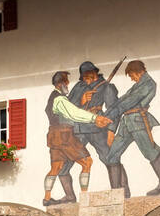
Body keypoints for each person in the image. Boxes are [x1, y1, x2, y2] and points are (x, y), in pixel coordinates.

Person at [43, 71, 112, 205]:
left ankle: (46, 198)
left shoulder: (53, 98)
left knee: (56, 167)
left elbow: (70, 111)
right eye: (66, 82)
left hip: (54, 136)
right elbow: (73, 113)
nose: (68, 84)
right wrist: (95, 118)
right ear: (60, 83)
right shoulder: (59, 99)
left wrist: (81, 103)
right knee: (87, 162)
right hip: (64, 135)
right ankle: (84, 196)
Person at [103, 60, 160, 196]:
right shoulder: (137, 85)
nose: (132, 78)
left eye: (131, 75)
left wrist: (109, 115)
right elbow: (121, 100)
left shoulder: (149, 83)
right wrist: (106, 111)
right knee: (112, 155)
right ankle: (117, 192)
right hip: (126, 123)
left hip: (138, 121)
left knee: (151, 152)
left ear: (138, 71)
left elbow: (129, 102)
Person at [67, 61, 123, 188]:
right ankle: (69, 196)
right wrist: (81, 101)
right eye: (84, 76)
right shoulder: (79, 87)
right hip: (79, 128)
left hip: (97, 127)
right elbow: (68, 106)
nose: (86, 78)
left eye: (88, 74)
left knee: (110, 158)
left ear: (94, 72)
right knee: (67, 159)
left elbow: (114, 110)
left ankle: (120, 190)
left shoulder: (106, 86)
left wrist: (111, 131)